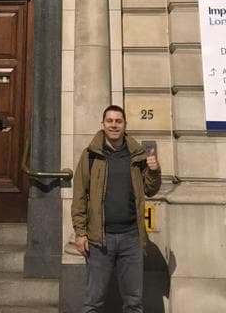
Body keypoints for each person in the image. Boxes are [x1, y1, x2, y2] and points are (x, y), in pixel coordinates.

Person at [71, 104, 161, 313]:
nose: (114, 125)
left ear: (125, 125)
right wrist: (80, 232)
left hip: (131, 238)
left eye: (118, 121)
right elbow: (79, 196)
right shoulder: (90, 156)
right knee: (93, 302)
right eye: (109, 121)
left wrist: (154, 171)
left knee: (134, 302)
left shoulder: (137, 155)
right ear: (103, 124)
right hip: (100, 239)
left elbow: (150, 190)